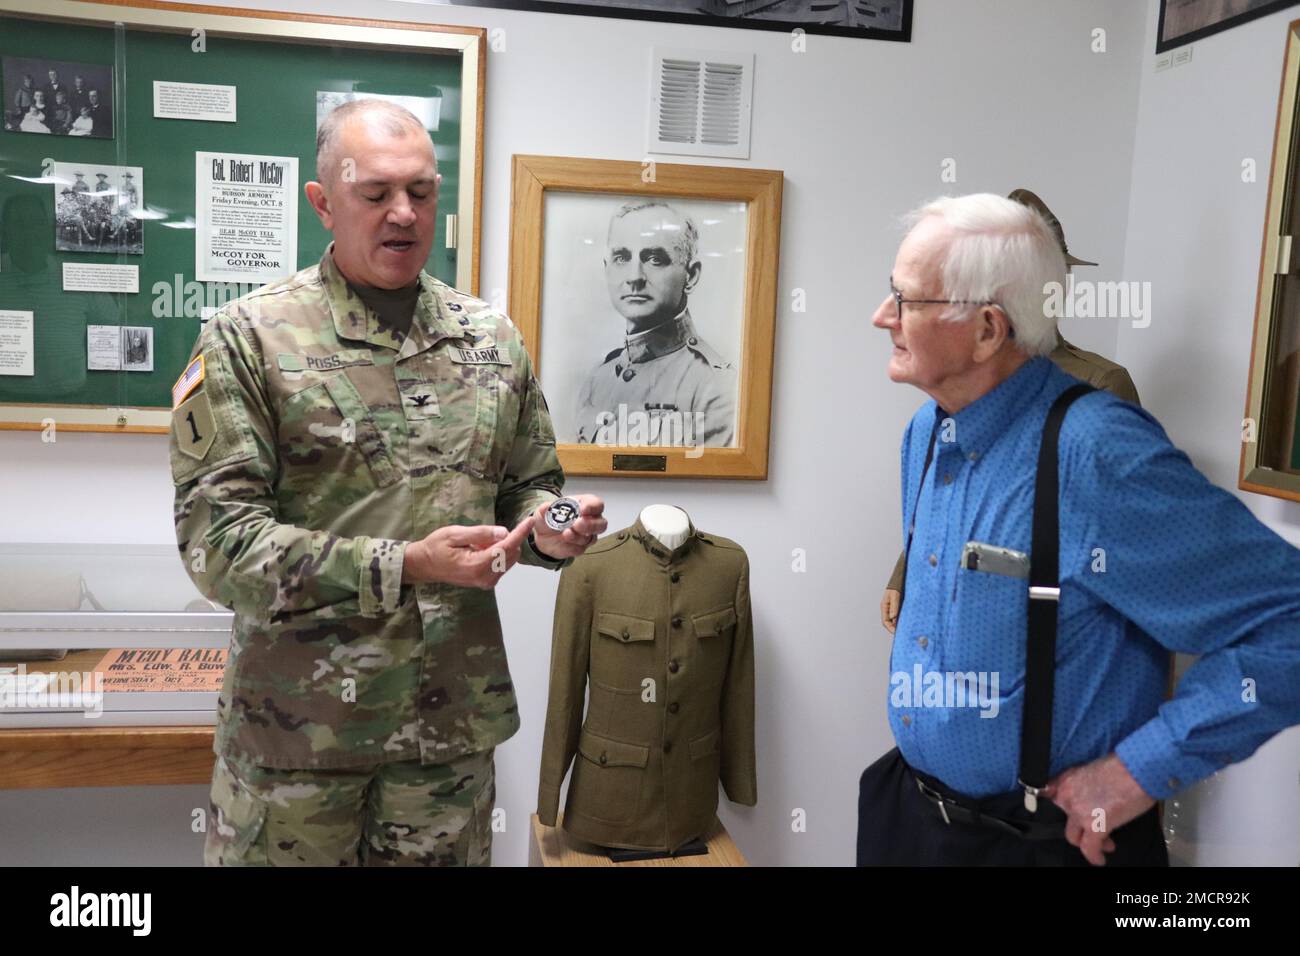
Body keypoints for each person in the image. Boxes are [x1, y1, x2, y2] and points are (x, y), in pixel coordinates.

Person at [169, 98, 607, 866]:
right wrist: (405, 565)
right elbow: (220, 547)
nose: (404, 214)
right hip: (297, 745)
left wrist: (552, 527)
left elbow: (528, 488)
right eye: (376, 194)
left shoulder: (490, 339)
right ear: (323, 203)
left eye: (422, 192)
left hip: (446, 743)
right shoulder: (249, 337)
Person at [858, 192, 1300, 866]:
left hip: (1039, 846)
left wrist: (1137, 772)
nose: (881, 316)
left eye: (908, 301)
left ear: (986, 330)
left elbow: (1289, 620)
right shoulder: (925, 430)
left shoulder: (1096, 451)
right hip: (914, 819)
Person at [880, 188, 1139, 633]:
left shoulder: (1099, 386)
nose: (888, 318)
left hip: (1047, 622)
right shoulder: (939, 405)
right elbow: (945, 495)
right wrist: (905, 571)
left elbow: (1129, 543)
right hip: (948, 615)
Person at [573, 200, 737, 448]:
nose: (634, 277)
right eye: (621, 258)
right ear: (607, 270)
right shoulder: (598, 380)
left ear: (690, 276)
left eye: (654, 259)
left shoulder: (716, 385)